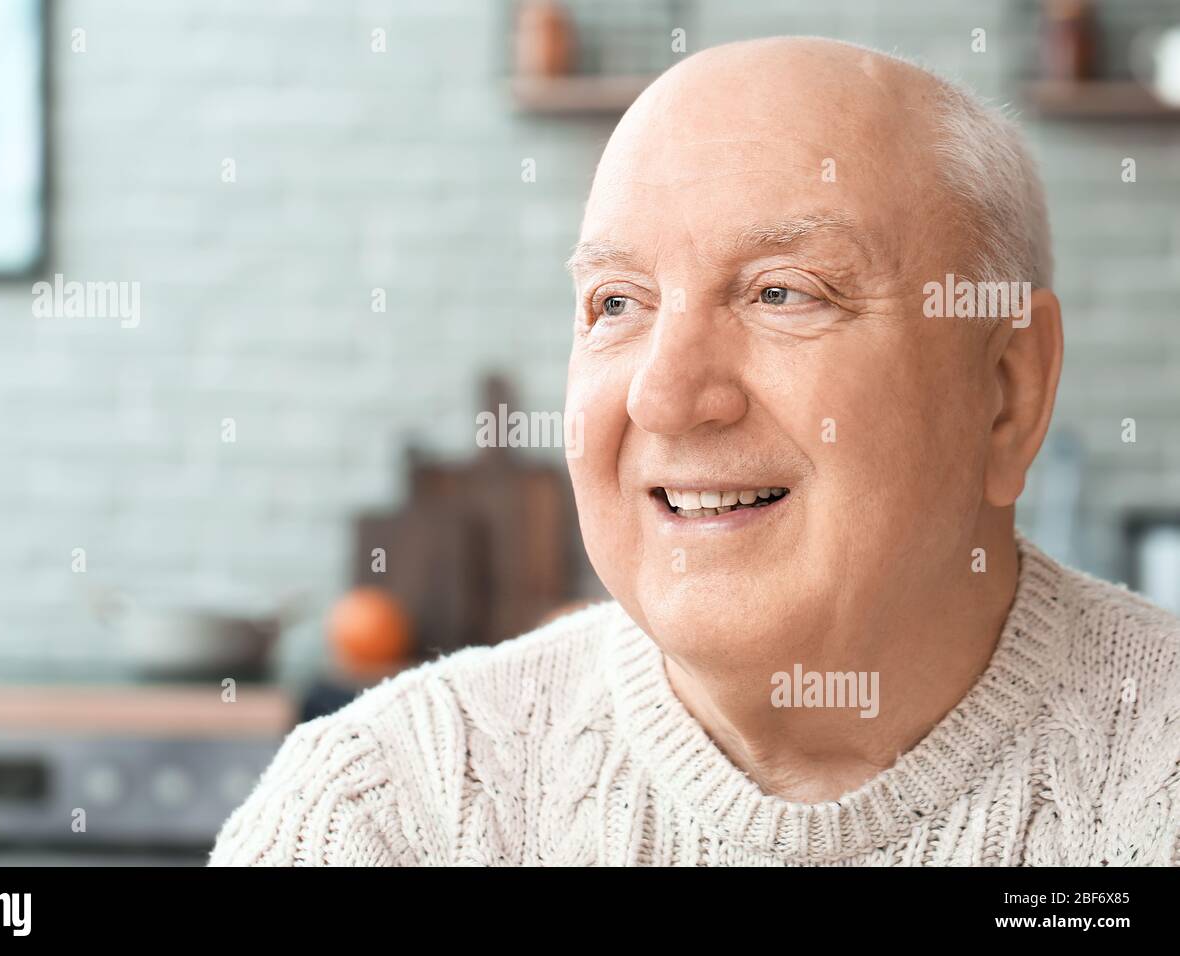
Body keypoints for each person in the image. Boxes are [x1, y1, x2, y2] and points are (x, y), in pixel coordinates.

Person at [209, 37, 1180, 867]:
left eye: (782, 293)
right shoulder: (378, 813)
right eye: (617, 303)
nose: (666, 395)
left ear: (1005, 391)